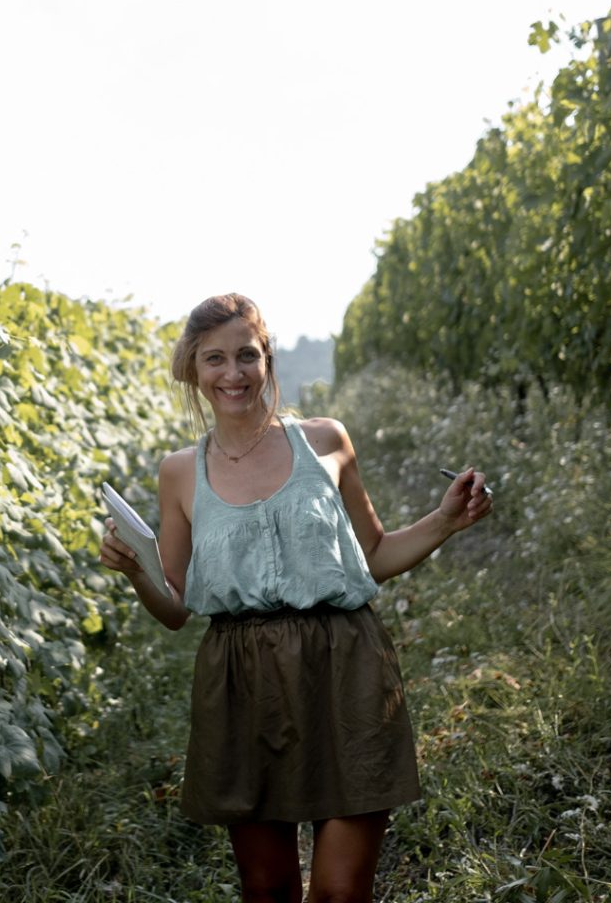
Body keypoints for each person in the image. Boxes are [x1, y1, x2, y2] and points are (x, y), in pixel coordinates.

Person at [99, 293, 492, 903]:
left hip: (346, 669)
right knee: (269, 888)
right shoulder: (180, 471)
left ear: (268, 359)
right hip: (242, 684)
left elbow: (376, 555)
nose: (234, 373)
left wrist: (444, 521)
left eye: (247, 355)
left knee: (340, 891)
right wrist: (134, 571)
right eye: (215, 359)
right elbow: (176, 609)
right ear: (193, 369)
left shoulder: (326, 441)